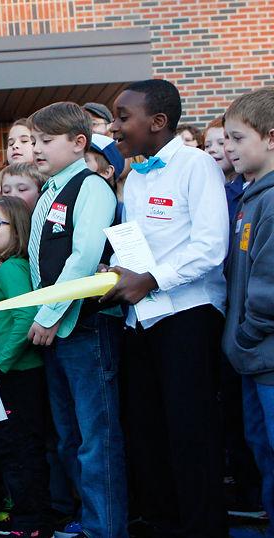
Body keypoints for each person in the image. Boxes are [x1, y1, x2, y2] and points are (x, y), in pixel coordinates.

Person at [106, 78, 229, 538]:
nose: (115, 127)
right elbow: (137, 248)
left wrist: (152, 279)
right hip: (140, 321)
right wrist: (117, 273)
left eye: (123, 116)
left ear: (157, 122)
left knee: (190, 435)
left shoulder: (196, 166)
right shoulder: (135, 177)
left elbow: (211, 246)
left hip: (188, 318)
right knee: (147, 434)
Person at [27, 101, 126, 538]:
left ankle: (105, 529)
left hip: (85, 326)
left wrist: (48, 315)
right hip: (58, 332)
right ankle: (88, 521)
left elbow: (85, 258)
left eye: (46, 141)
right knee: (69, 437)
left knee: (95, 439)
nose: (36, 149)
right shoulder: (50, 190)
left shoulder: (92, 187)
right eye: (33, 141)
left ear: (78, 142)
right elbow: (39, 258)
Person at [0, 195, 51, 538]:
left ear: (17, 228)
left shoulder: (13, 269)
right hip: (11, 372)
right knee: (12, 448)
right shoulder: (4, 267)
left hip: (17, 374)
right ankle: (26, 516)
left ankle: (31, 522)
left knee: (20, 450)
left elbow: (26, 316)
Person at [221, 87, 274, 538]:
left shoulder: (271, 201)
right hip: (254, 360)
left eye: (237, 138)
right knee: (264, 454)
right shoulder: (252, 197)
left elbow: (268, 288)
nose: (228, 149)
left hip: (266, 358)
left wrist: (244, 336)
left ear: (271, 138)